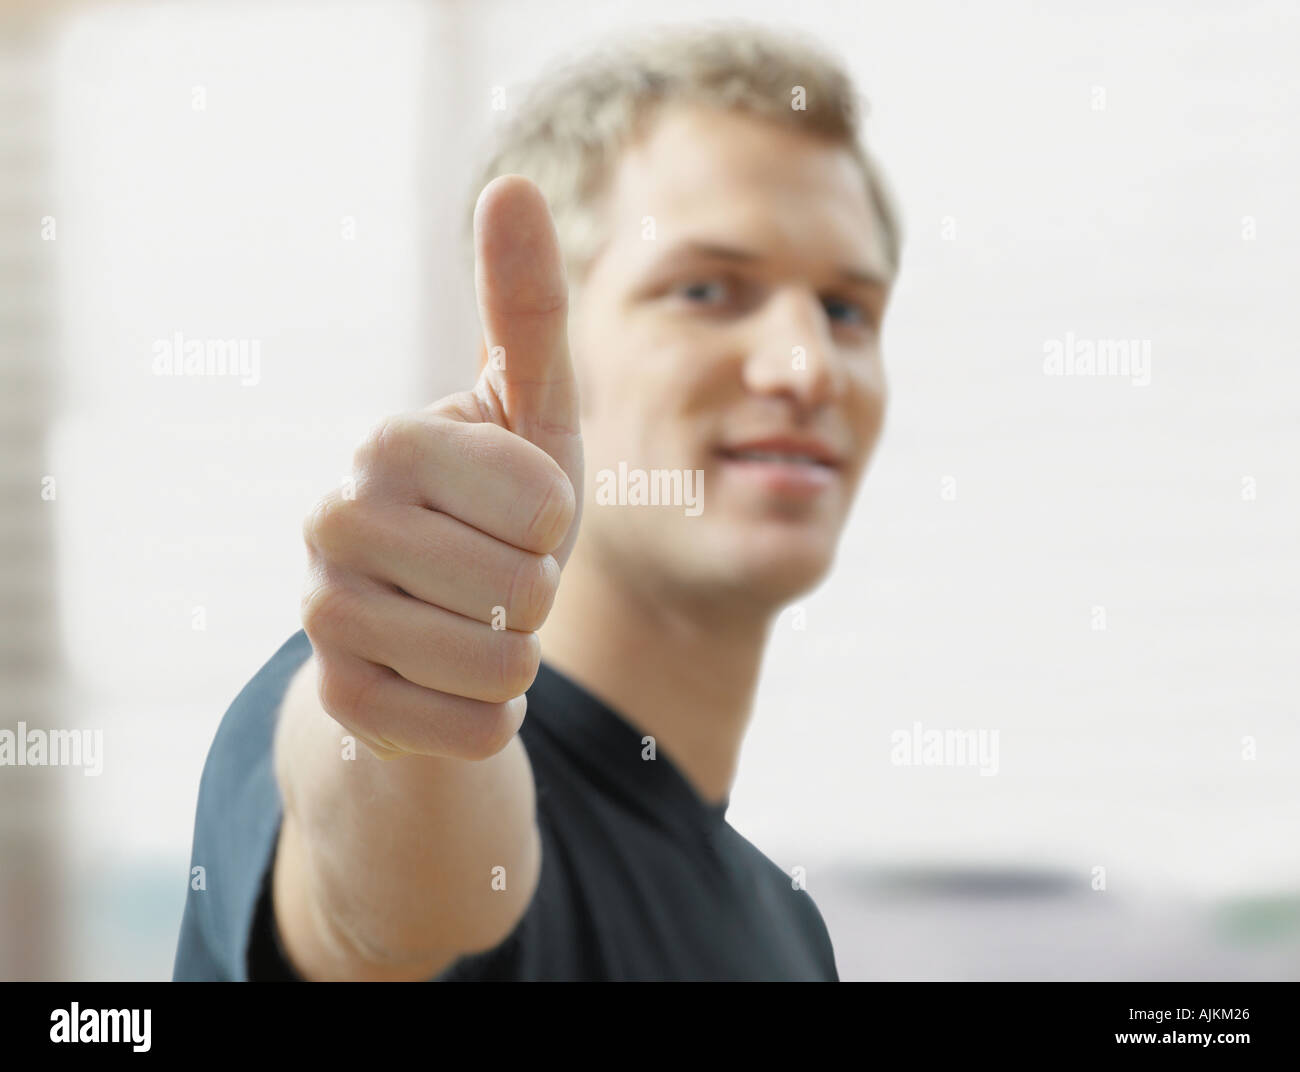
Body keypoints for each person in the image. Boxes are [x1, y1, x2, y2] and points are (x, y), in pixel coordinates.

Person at [173, 21, 901, 982]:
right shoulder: (368, 698)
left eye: (846, 310)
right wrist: (405, 735)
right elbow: (389, 892)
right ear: (530, 352)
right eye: (707, 290)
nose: (806, 368)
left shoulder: (789, 929)